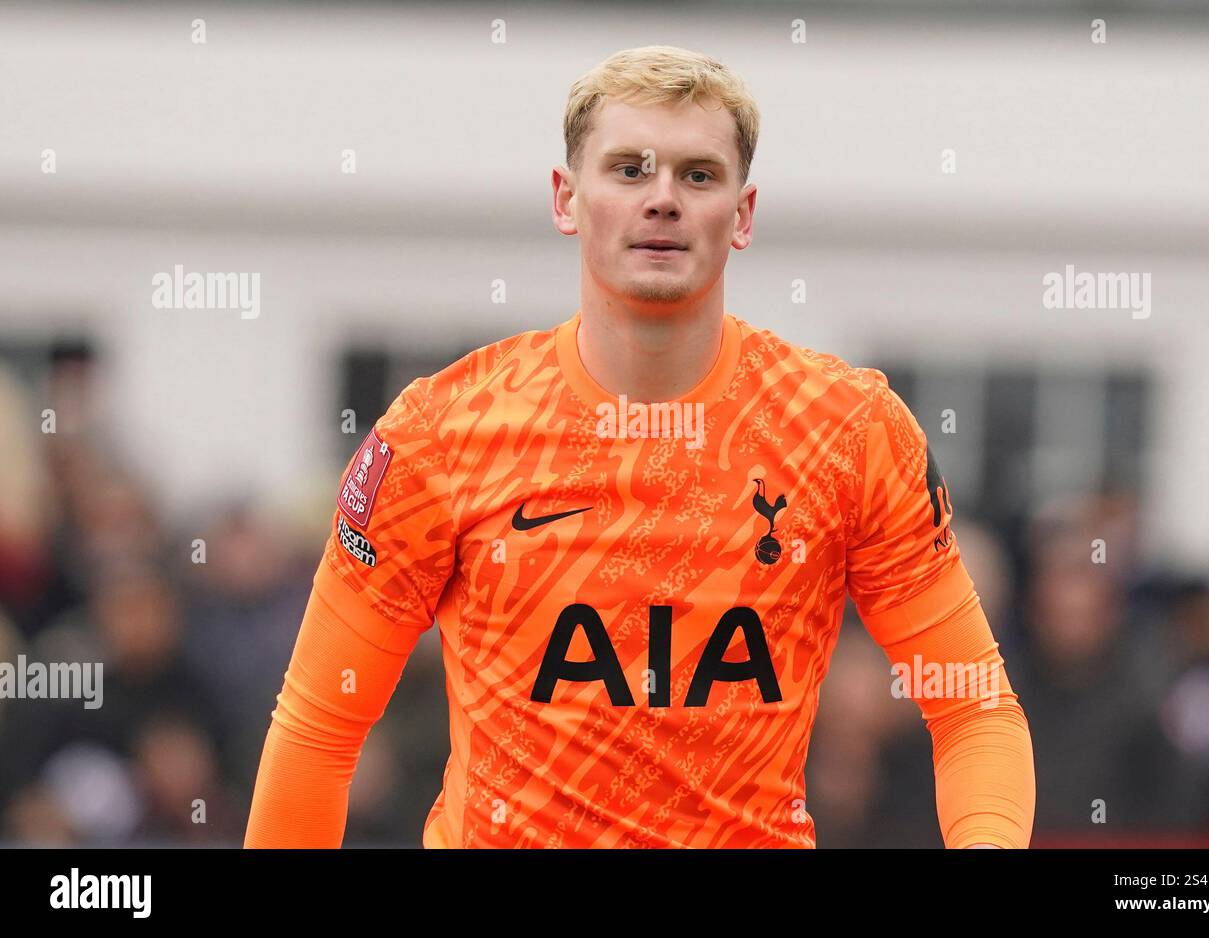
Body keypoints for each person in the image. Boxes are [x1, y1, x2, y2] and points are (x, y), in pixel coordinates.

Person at [244, 45, 1034, 849]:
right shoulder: (438, 434)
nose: (663, 200)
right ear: (566, 199)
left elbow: (973, 706)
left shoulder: (850, 429)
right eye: (628, 170)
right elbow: (318, 728)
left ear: (745, 212)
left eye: (698, 175)